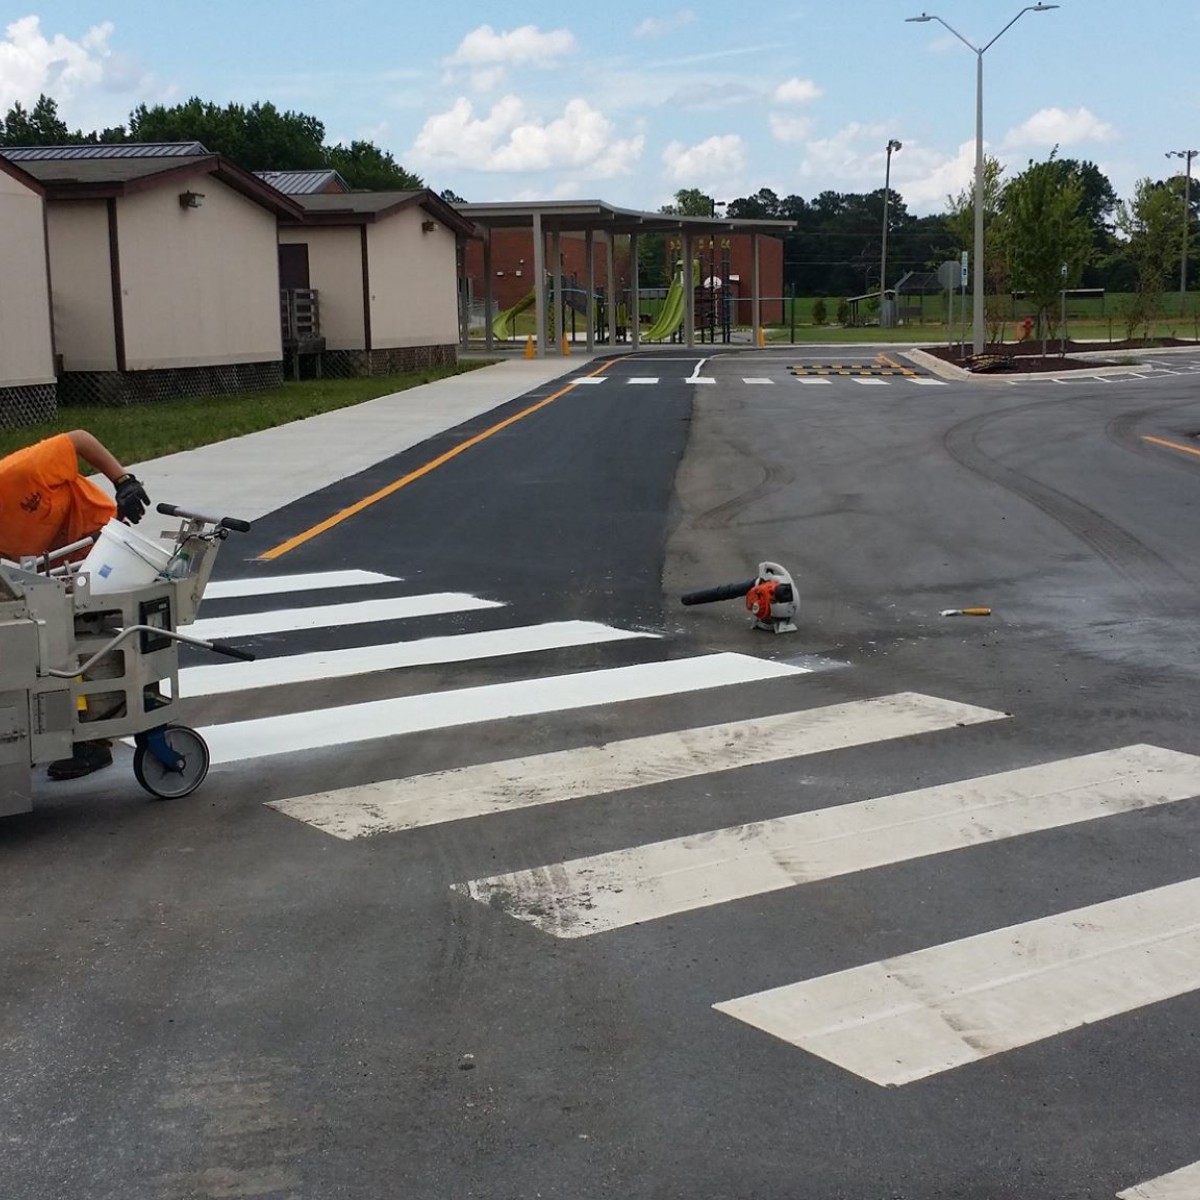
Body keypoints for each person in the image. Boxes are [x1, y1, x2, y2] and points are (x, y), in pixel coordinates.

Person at [0, 430, 150, 779]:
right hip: (58, 570)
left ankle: (93, 741)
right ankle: (78, 735)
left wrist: (123, 480)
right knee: (46, 649)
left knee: (71, 649)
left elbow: (79, 439)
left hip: (102, 549)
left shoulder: (18, 473)